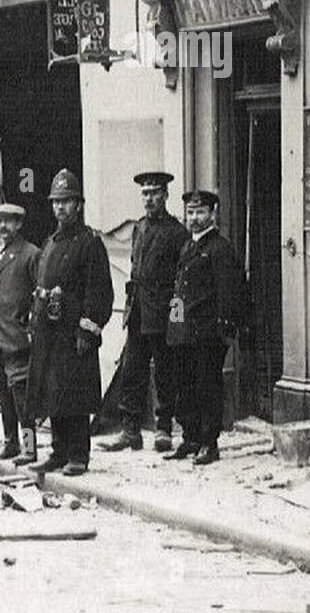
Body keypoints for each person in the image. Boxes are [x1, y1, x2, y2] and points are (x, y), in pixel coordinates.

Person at [25, 169, 114, 476]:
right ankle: (58, 451)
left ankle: (78, 454)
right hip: (49, 333)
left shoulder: (90, 243)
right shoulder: (50, 243)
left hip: (74, 334)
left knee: (75, 395)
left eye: (66, 201)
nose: (60, 207)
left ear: (79, 204)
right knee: (54, 393)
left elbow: (100, 292)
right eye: (56, 202)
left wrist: (87, 330)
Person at [101, 171, 189, 453]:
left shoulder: (177, 232)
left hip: (162, 312)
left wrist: (177, 319)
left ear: (165, 195)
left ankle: (163, 429)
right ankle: (131, 431)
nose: (149, 199)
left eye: (154, 193)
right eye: (145, 194)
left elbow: (182, 279)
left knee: (164, 372)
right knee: (132, 371)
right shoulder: (138, 228)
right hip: (137, 310)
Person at [166, 189, 246, 466]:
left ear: (213, 214)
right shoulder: (187, 247)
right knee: (184, 386)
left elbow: (228, 292)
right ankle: (190, 438)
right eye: (190, 212)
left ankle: (209, 444)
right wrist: (174, 327)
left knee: (207, 387)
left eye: (200, 212)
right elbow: (178, 290)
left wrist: (225, 329)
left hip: (208, 333)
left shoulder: (220, 249)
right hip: (184, 333)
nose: (194, 218)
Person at [0, 203, 39, 460]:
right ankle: (11, 442)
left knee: (22, 397)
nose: (3, 226)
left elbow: (40, 296)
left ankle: (30, 448)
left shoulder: (30, 254)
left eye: (8, 221)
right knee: (5, 396)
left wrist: (30, 326)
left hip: (16, 338)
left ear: (19, 224)